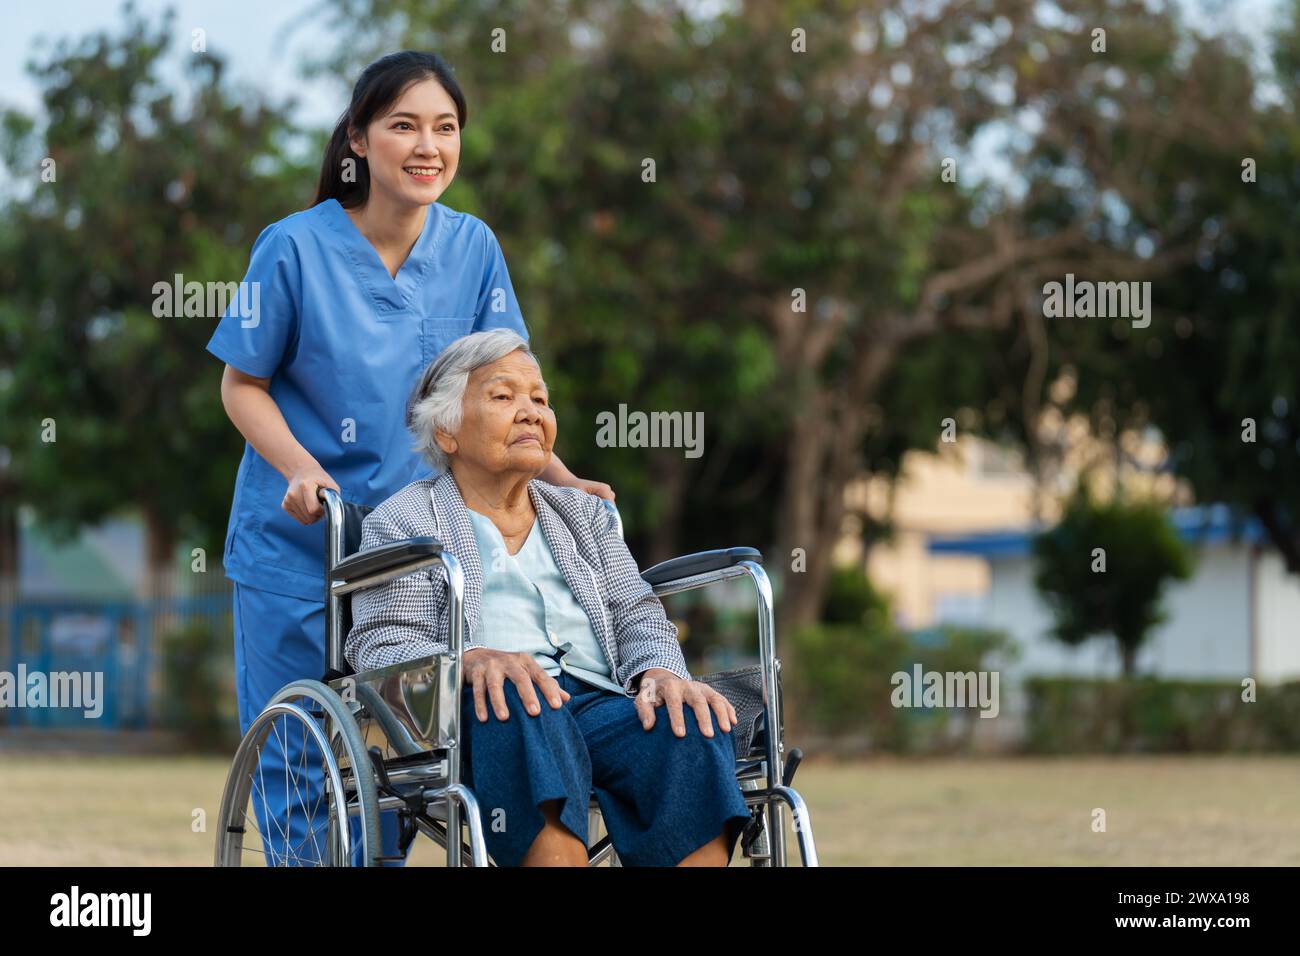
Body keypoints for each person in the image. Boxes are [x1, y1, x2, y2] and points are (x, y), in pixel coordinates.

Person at [206, 51, 612, 866]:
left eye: (445, 128)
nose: (428, 146)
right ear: (358, 139)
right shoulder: (290, 248)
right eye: (403, 126)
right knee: (304, 768)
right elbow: (241, 383)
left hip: (419, 561)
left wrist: (561, 478)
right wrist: (297, 466)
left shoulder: (473, 249)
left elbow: (510, 385)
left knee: (400, 771)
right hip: (300, 548)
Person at [346, 329, 752, 867]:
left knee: (689, 722)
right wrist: (469, 660)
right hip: (488, 716)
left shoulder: (582, 515)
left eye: (540, 398)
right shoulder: (405, 521)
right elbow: (379, 644)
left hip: (599, 704)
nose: (531, 411)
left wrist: (661, 673)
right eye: (503, 396)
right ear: (447, 431)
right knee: (519, 697)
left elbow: (636, 611)